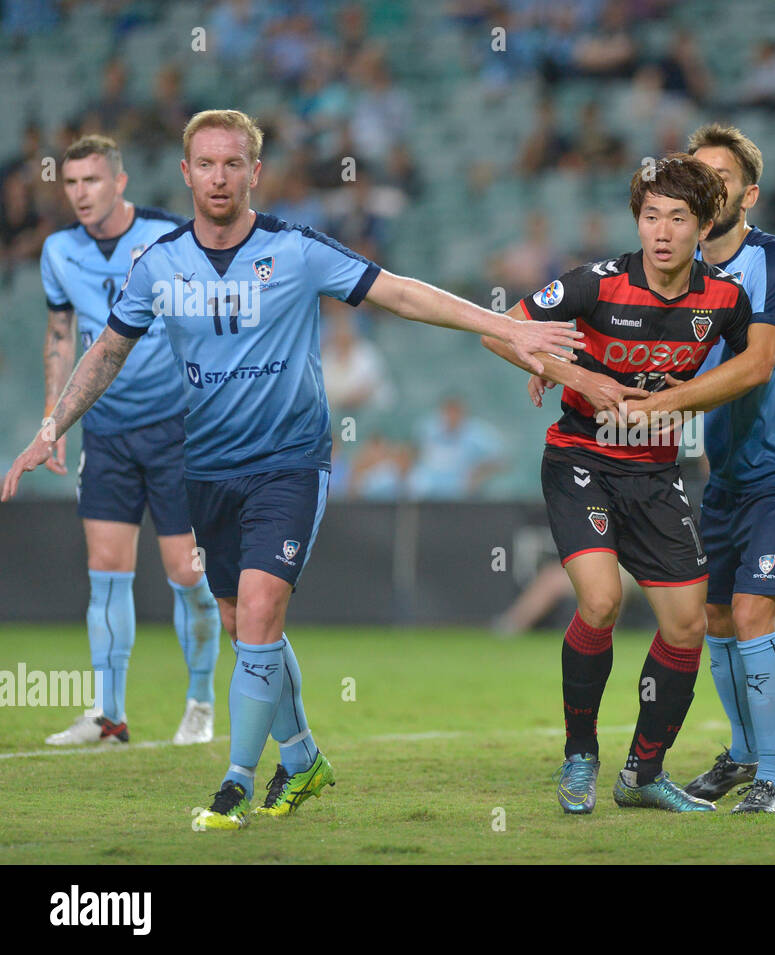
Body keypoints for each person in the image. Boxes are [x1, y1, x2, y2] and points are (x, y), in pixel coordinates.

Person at [2, 109, 583, 830]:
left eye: (233, 163)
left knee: (259, 612)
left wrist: (509, 325)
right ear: (185, 174)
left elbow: (401, 291)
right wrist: (52, 422)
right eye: (206, 164)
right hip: (205, 470)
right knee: (248, 626)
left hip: (289, 463)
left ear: (255, 171)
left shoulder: (297, 251)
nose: (219, 177)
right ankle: (303, 754)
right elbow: (109, 350)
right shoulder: (158, 264)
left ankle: (235, 784)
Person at [486, 153, 775, 814]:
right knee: (599, 602)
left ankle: (643, 772)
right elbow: (499, 330)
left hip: (655, 472)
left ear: (704, 225)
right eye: (651, 216)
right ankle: (580, 756)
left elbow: (750, 367)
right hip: (580, 459)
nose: (663, 231)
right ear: (637, 221)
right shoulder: (598, 282)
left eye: (678, 217)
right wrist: (569, 370)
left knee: (686, 625)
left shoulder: (725, 301)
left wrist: (689, 401)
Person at [666, 123, 775, 813]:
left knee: (752, 614)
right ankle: (741, 754)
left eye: (722, 176)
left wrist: (667, 402)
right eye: (696, 175)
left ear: (749, 193)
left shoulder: (772, 258)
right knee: (713, 617)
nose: (709, 187)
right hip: (728, 473)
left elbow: (759, 362)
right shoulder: (683, 270)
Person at [37, 134, 223, 747]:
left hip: (177, 429)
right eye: (70, 183)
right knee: (107, 571)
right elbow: (61, 334)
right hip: (107, 432)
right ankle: (108, 716)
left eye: (92, 180)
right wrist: (53, 418)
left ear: (120, 182)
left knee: (184, 571)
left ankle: (200, 703)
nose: (80, 194)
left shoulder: (172, 236)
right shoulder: (58, 251)